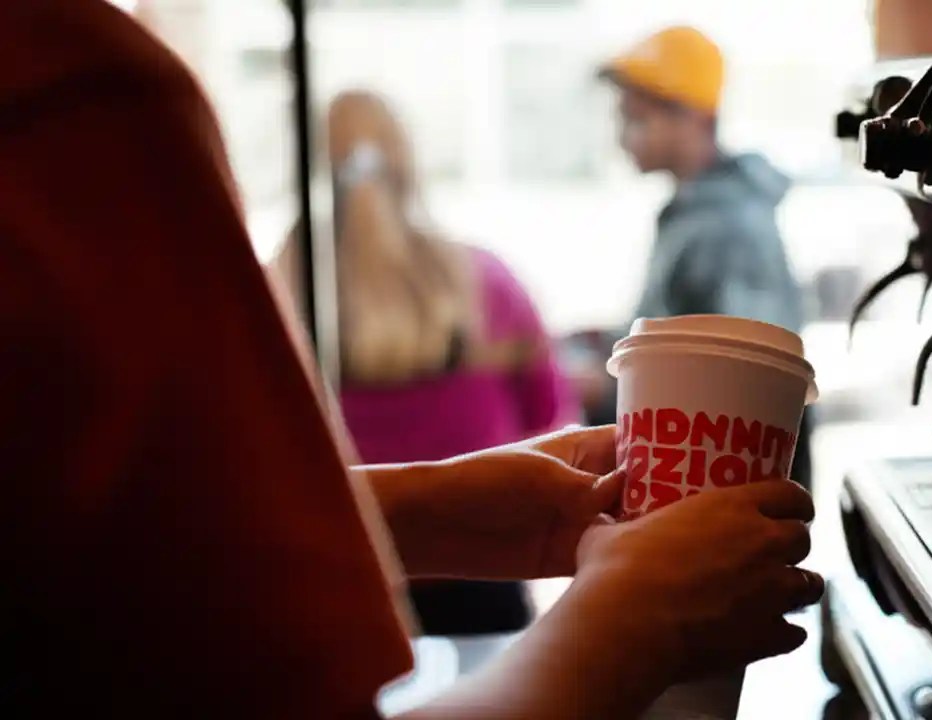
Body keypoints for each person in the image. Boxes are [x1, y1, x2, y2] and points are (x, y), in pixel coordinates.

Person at [0, 2, 821, 717]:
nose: (624, 132)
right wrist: (638, 618)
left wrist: (420, 509)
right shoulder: (72, 98)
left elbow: (114, 549)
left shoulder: (284, 264)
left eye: (639, 114)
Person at [276, 91, 577, 666]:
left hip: (339, 581)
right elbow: (547, 419)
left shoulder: (279, 291)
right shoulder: (488, 282)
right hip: (487, 577)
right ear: (405, 162)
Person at [592, 26, 813, 487]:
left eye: (637, 120)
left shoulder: (729, 227)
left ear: (696, 119)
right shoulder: (694, 213)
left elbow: (746, 392)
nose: (623, 139)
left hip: (722, 495)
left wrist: (601, 385)